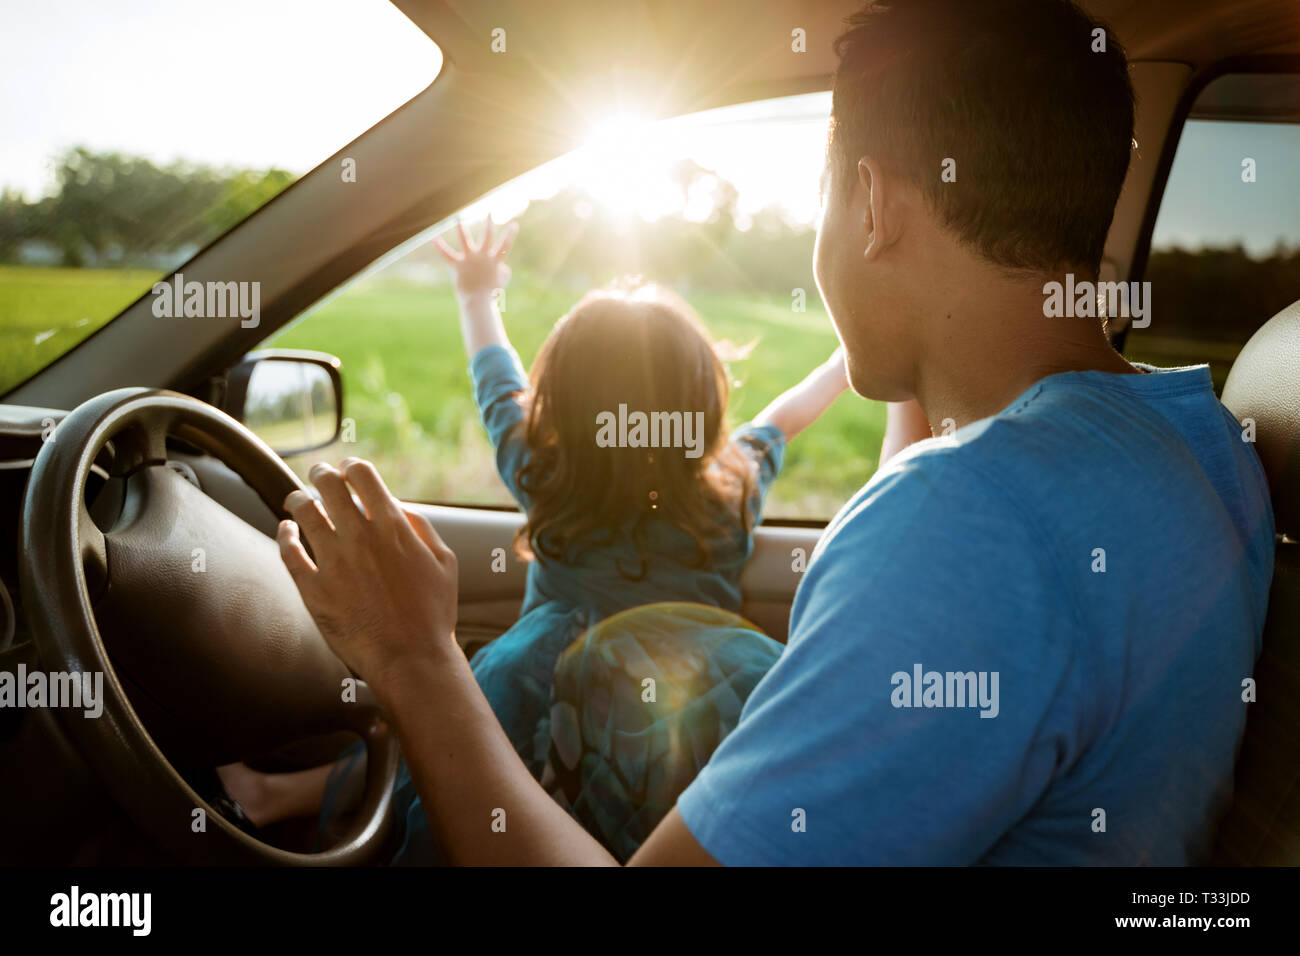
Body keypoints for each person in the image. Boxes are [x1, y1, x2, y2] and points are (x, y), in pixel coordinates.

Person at [275, 0, 1275, 864]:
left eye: (824, 195)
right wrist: (914, 353)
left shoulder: (965, 522)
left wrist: (411, 656)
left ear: (874, 203)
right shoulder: (1197, 442)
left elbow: (964, 552)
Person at [222, 223, 857, 862]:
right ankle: (278, 796)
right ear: (704, 405)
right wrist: (844, 361)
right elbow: (787, 413)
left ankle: (274, 798)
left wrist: (476, 293)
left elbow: (495, 378)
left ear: (557, 406)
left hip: (542, 692)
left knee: (435, 736)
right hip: (678, 706)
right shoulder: (732, 483)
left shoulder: (542, 469)